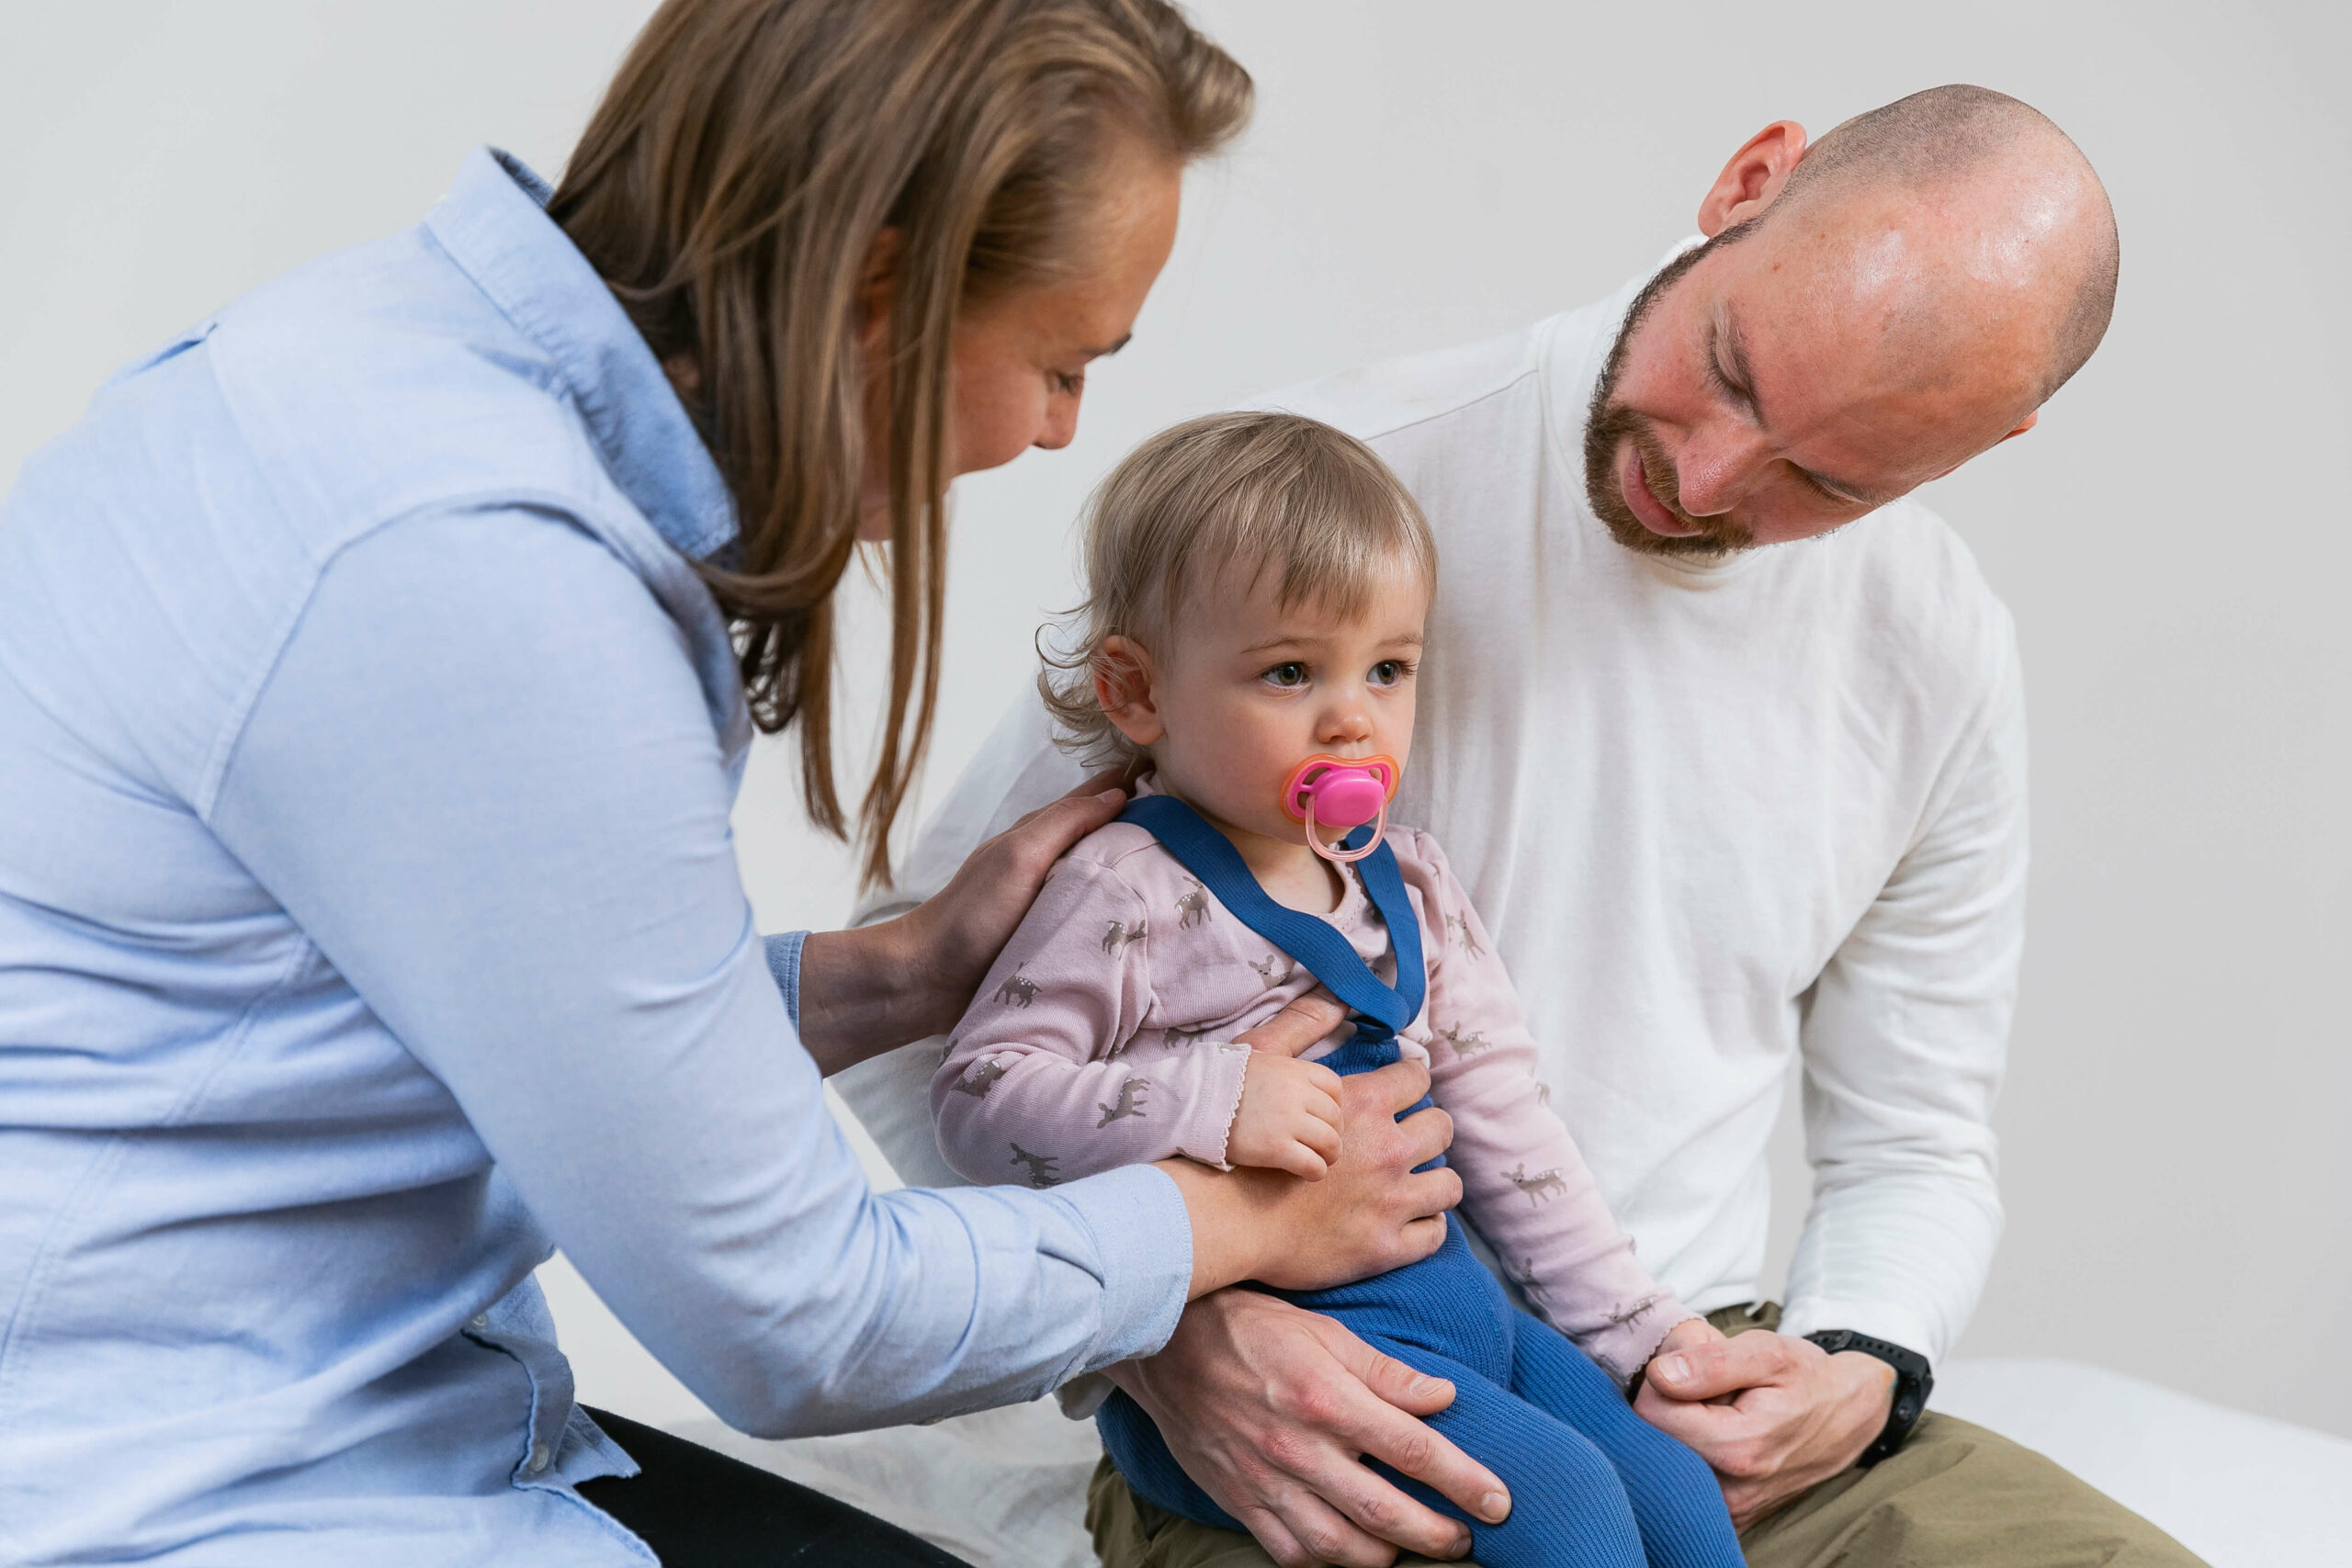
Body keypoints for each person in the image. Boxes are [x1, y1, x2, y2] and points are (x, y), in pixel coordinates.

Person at [0, 4, 1470, 1565]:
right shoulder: (489, 588)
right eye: (1060, 361)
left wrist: (905, 973)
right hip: (186, 1488)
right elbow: (790, 1315)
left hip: (319, 1389)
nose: (1056, 432)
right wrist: (1235, 1218)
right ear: (886, 286)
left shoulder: (362, 357)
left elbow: (545, 1021)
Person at [840, 86, 2209, 1568]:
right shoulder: (1317, 504)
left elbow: (1917, 1136)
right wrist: (1163, 1326)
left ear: (1980, 446)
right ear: (1749, 182)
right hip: (1296, 1380)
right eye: (1733, 373)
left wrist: (1857, 1363)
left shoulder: (1935, 649)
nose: (1706, 482)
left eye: (1828, 478)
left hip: (1681, 1355)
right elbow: (929, 1004)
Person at [930, 411, 1743, 1567]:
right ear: (1136, 693)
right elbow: (978, 1098)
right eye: (1291, 670)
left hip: (1458, 1306)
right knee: (1568, 1512)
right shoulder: (1124, 890)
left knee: (1671, 1491)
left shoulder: (1406, 881)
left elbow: (1508, 1123)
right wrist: (1213, 1100)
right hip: (1284, 1349)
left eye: (1388, 669)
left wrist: (1638, 1327)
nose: (1352, 715)